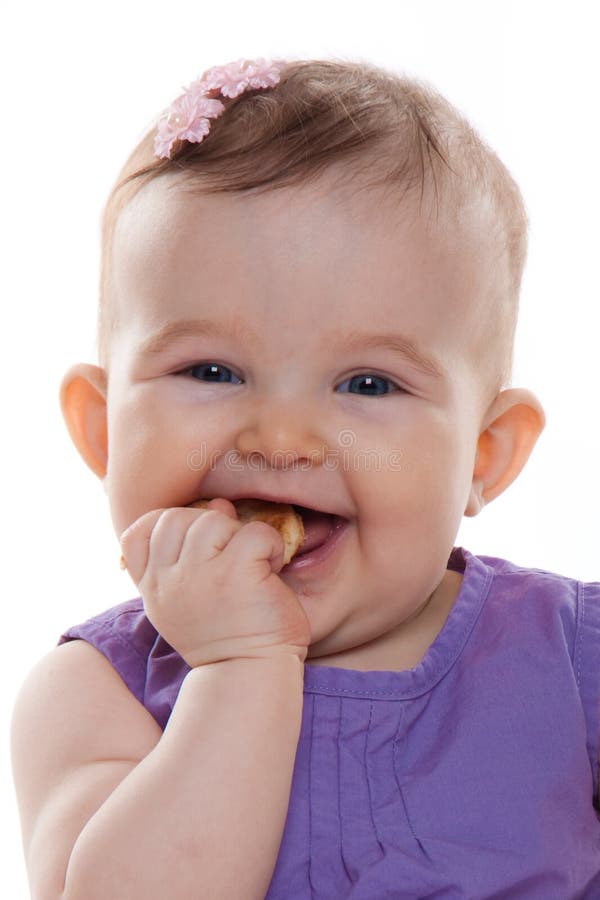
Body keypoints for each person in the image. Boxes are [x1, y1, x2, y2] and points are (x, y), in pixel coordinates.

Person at [10, 56, 600, 899]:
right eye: (211, 371)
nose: (282, 439)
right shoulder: (96, 693)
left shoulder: (571, 657)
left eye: (368, 384)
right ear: (104, 429)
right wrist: (238, 665)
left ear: (484, 453)